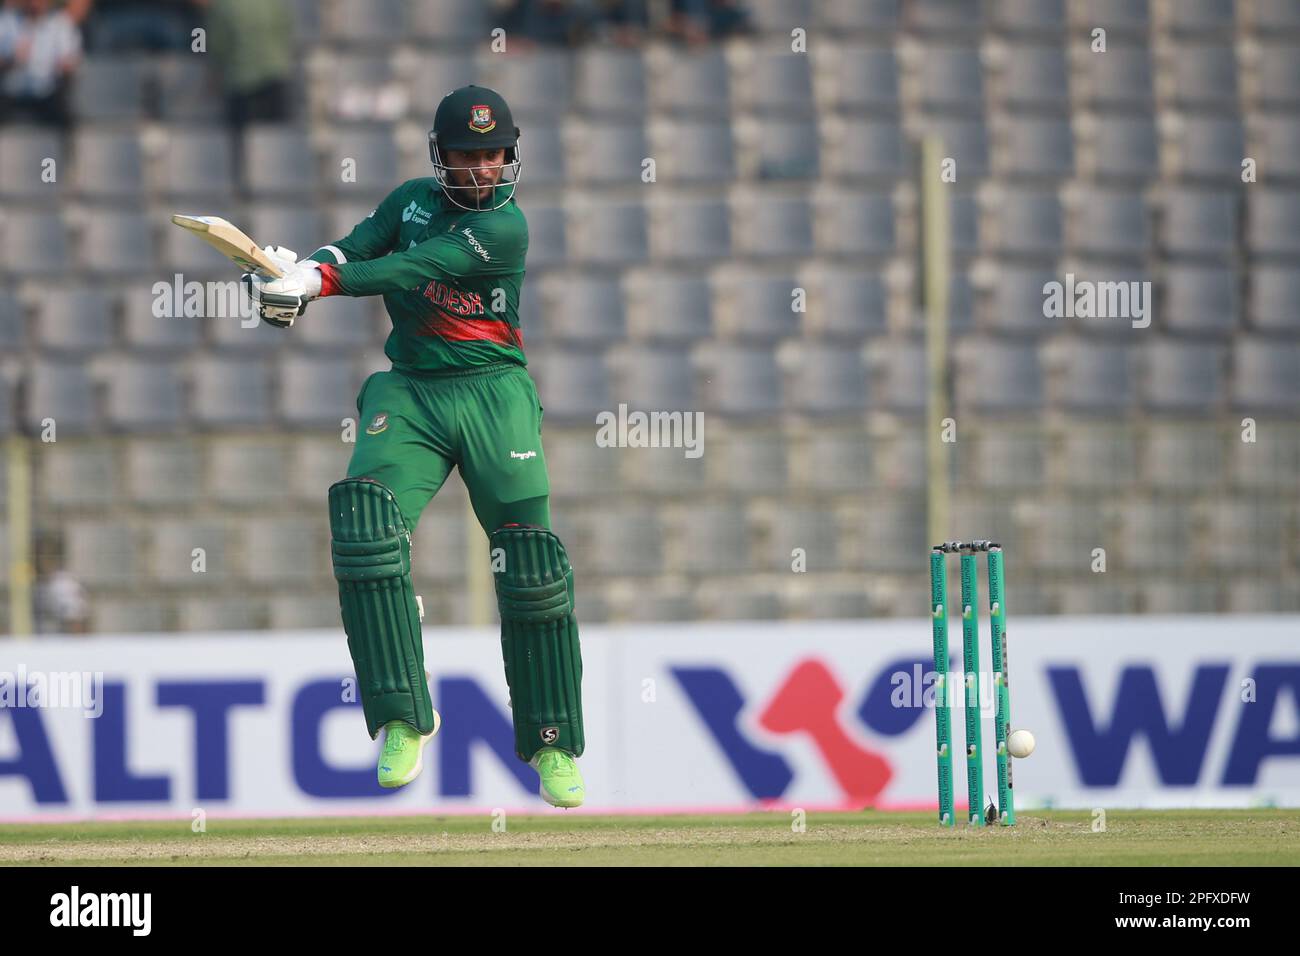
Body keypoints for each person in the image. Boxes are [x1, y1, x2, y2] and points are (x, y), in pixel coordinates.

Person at [243, 85, 586, 809]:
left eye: (492, 154)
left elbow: (407, 270)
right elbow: (359, 246)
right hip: (413, 391)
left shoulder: (506, 229)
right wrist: (298, 270)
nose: (480, 169)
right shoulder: (409, 199)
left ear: (510, 156)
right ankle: (402, 716)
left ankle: (552, 741)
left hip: (493, 392)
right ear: (442, 155)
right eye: (467, 155)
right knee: (367, 527)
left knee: (530, 560)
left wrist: (318, 282)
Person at [0, 0, 82, 128]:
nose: (35, 3)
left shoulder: (60, 24)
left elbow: (71, 61)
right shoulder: (6, 22)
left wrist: (63, 66)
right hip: (11, 93)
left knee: (67, 117)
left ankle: (69, 148)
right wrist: (12, 59)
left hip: (46, 93)